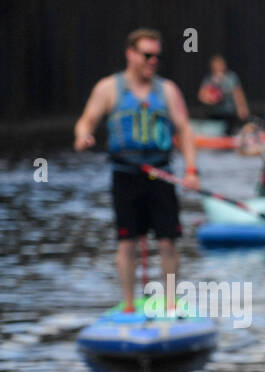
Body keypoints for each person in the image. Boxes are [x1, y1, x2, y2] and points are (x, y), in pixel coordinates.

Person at [73, 27, 198, 313]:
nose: (153, 61)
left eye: (157, 56)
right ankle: (128, 305)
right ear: (131, 54)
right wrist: (83, 135)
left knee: (168, 239)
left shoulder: (167, 91)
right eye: (147, 55)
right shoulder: (108, 88)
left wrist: (191, 170)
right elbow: (86, 121)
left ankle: (170, 303)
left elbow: (185, 131)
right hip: (125, 173)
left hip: (160, 171)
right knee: (127, 241)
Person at [197, 54, 249, 133]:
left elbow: (238, 94)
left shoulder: (231, 77)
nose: (217, 67)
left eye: (219, 64)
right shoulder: (208, 79)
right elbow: (202, 96)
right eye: (215, 64)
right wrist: (210, 99)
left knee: (231, 133)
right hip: (214, 114)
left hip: (229, 113)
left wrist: (242, 108)